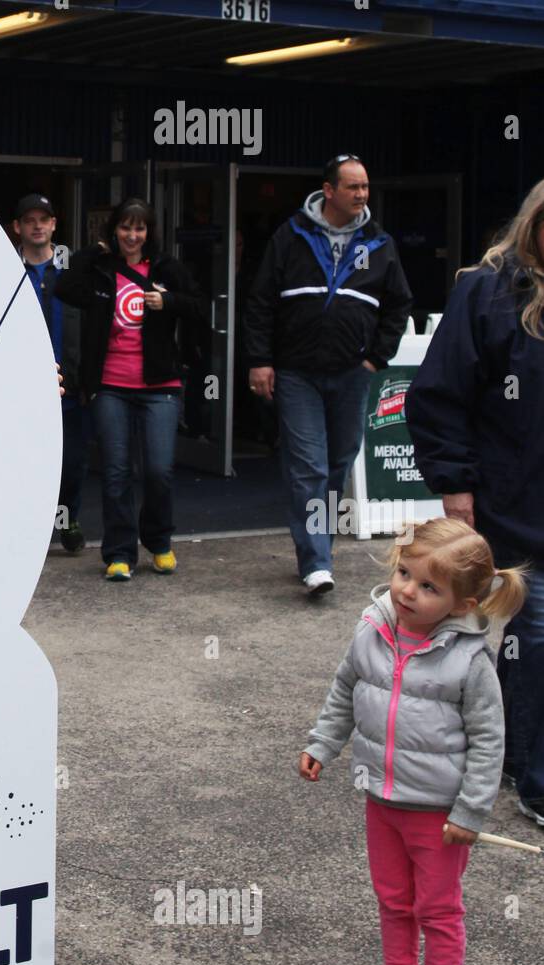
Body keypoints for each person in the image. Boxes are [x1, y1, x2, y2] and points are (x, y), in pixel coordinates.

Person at [300, 518, 526, 965]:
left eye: (429, 587)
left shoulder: (471, 661)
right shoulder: (372, 631)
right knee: (394, 898)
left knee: (438, 907)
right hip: (381, 798)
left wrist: (471, 812)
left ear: (463, 604)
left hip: (439, 812)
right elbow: (344, 690)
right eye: (404, 574)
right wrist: (321, 745)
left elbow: (490, 742)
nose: (407, 591)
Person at [407, 178, 544, 831]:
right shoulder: (488, 290)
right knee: (534, 632)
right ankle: (528, 770)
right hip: (508, 504)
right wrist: (456, 491)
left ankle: (515, 751)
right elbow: (438, 395)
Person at [245, 155, 413, 597]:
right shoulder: (291, 235)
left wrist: (377, 357)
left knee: (338, 462)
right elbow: (261, 301)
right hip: (297, 372)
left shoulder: (378, 243)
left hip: (352, 372)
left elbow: (399, 304)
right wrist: (260, 359)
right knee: (309, 466)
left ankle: (318, 542)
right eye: (353, 187)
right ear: (330, 190)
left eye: (366, 187)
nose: (361, 195)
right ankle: (316, 561)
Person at [54, 197, 205, 582]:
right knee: (117, 473)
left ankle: (158, 541)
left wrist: (167, 300)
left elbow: (198, 307)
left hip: (161, 386)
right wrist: (94, 250)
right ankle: (119, 553)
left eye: (139, 228)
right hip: (110, 385)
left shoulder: (166, 268)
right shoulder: (102, 269)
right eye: (125, 227)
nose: (132, 235)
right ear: (114, 230)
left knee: (158, 471)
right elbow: (65, 286)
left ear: (149, 232)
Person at [11, 193, 86, 553]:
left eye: (44, 219)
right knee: (25, 463)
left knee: (70, 463)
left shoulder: (72, 269)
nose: (37, 226)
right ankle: (28, 533)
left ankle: (68, 519)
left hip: (69, 386)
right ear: (17, 227)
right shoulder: (5, 270)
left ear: (55, 224)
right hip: (21, 390)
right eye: (29, 220)